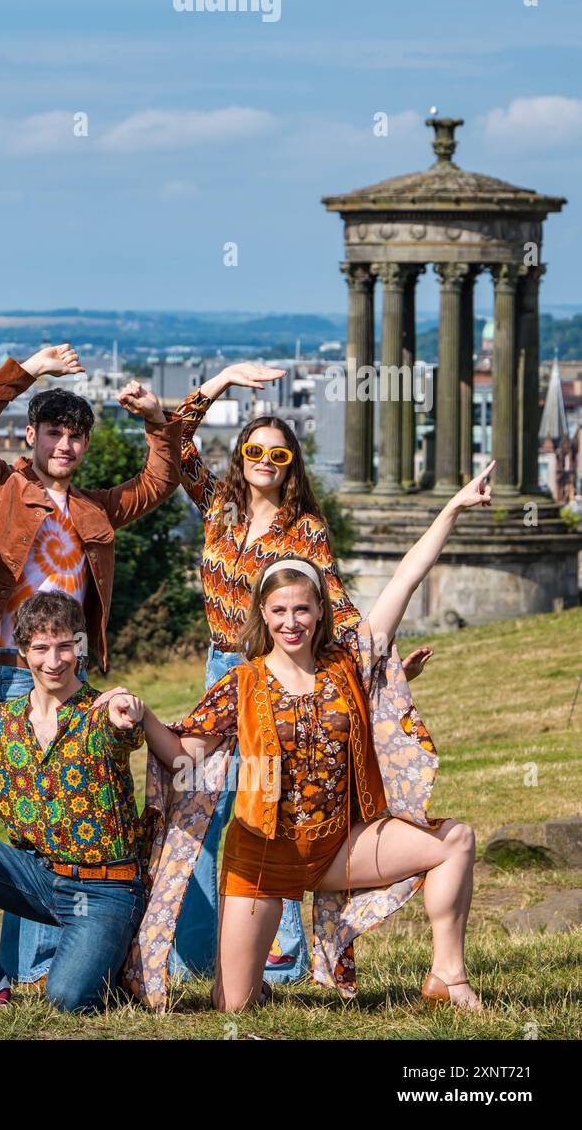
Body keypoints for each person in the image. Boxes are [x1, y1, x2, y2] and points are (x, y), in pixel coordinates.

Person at [124, 464, 494, 1013]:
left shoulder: (346, 664)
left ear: (321, 611)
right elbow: (184, 756)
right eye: (279, 611)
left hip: (341, 845)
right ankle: (247, 979)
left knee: (455, 841)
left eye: (302, 608)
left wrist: (452, 509)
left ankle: (447, 977)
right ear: (263, 617)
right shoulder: (242, 682)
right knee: (233, 1008)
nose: (291, 621)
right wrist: (144, 713)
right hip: (262, 855)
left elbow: (404, 581)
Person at [170, 362, 432, 984]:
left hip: (279, 672)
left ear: (291, 463)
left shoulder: (305, 530)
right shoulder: (219, 507)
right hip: (222, 669)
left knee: (278, 805)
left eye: (277, 453)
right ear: (240, 456)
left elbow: (330, 606)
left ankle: (284, 954)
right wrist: (223, 381)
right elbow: (175, 442)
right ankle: (209, 954)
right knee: (205, 802)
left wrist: (381, 665)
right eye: (254, 450)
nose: (264, 459)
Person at [0, 343, 181, 987]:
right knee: (29, 819)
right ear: (32, 434)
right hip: (15, 667)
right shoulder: (2, 487)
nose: (66, 446)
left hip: (70, 671)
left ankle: (56, 962)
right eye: (55, 433)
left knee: (72, 813)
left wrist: (157, 420)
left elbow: (159, 483)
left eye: (77, 436)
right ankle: (24, 967)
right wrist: (29, 369)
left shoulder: (95, 508)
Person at [0, 590, 149, 1013]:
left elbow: (123, 733)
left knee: (68, 1000)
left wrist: (125, 715)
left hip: (104, 888)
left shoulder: (100, 711)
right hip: (37, 878)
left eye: (65, 646)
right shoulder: (1, 724)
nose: (54, 661)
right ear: (22, 651)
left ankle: (118, 958)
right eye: (41, 648)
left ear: (80, 647)